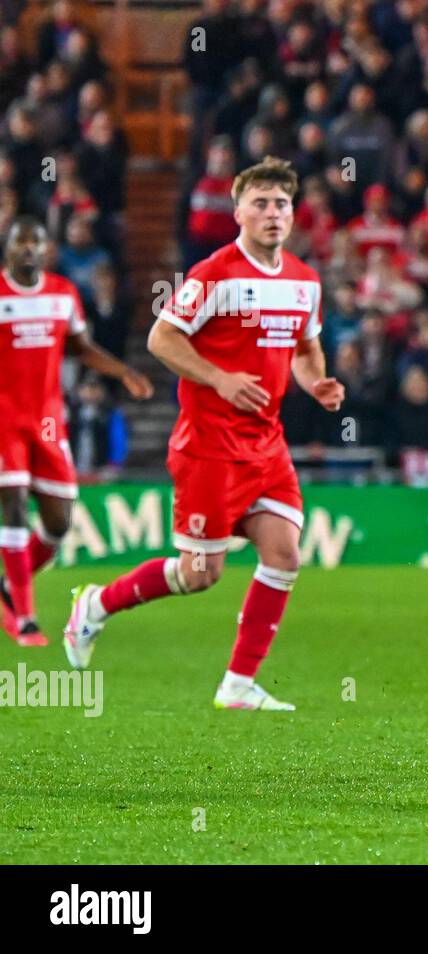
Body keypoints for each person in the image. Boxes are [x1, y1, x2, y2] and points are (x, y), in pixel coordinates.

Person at [62, 157, 346, 711]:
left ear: (293, 214)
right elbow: (161, 339)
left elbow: (306, 348)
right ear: (237, 211)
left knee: (285, 554)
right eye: (260, 203)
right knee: (199, 575)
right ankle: (95, 604)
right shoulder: (215, 273)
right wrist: (221, 378)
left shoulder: (304, 282)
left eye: (281, 204)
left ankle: (238, 683)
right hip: (209, 446)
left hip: (266, 444)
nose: (272, 213)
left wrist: (316, 384)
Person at [0, 218, 153, 646]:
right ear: (9, 249)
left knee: (59, 520)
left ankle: (8, 580)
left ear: (47, 249)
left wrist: (122, 372)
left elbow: (80, 347)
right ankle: (25, 617)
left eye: (37, 242)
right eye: (21, 242)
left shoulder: (62, 294)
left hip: (48, 420)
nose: (29, 249)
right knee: (12, 505)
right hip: (4, 421)